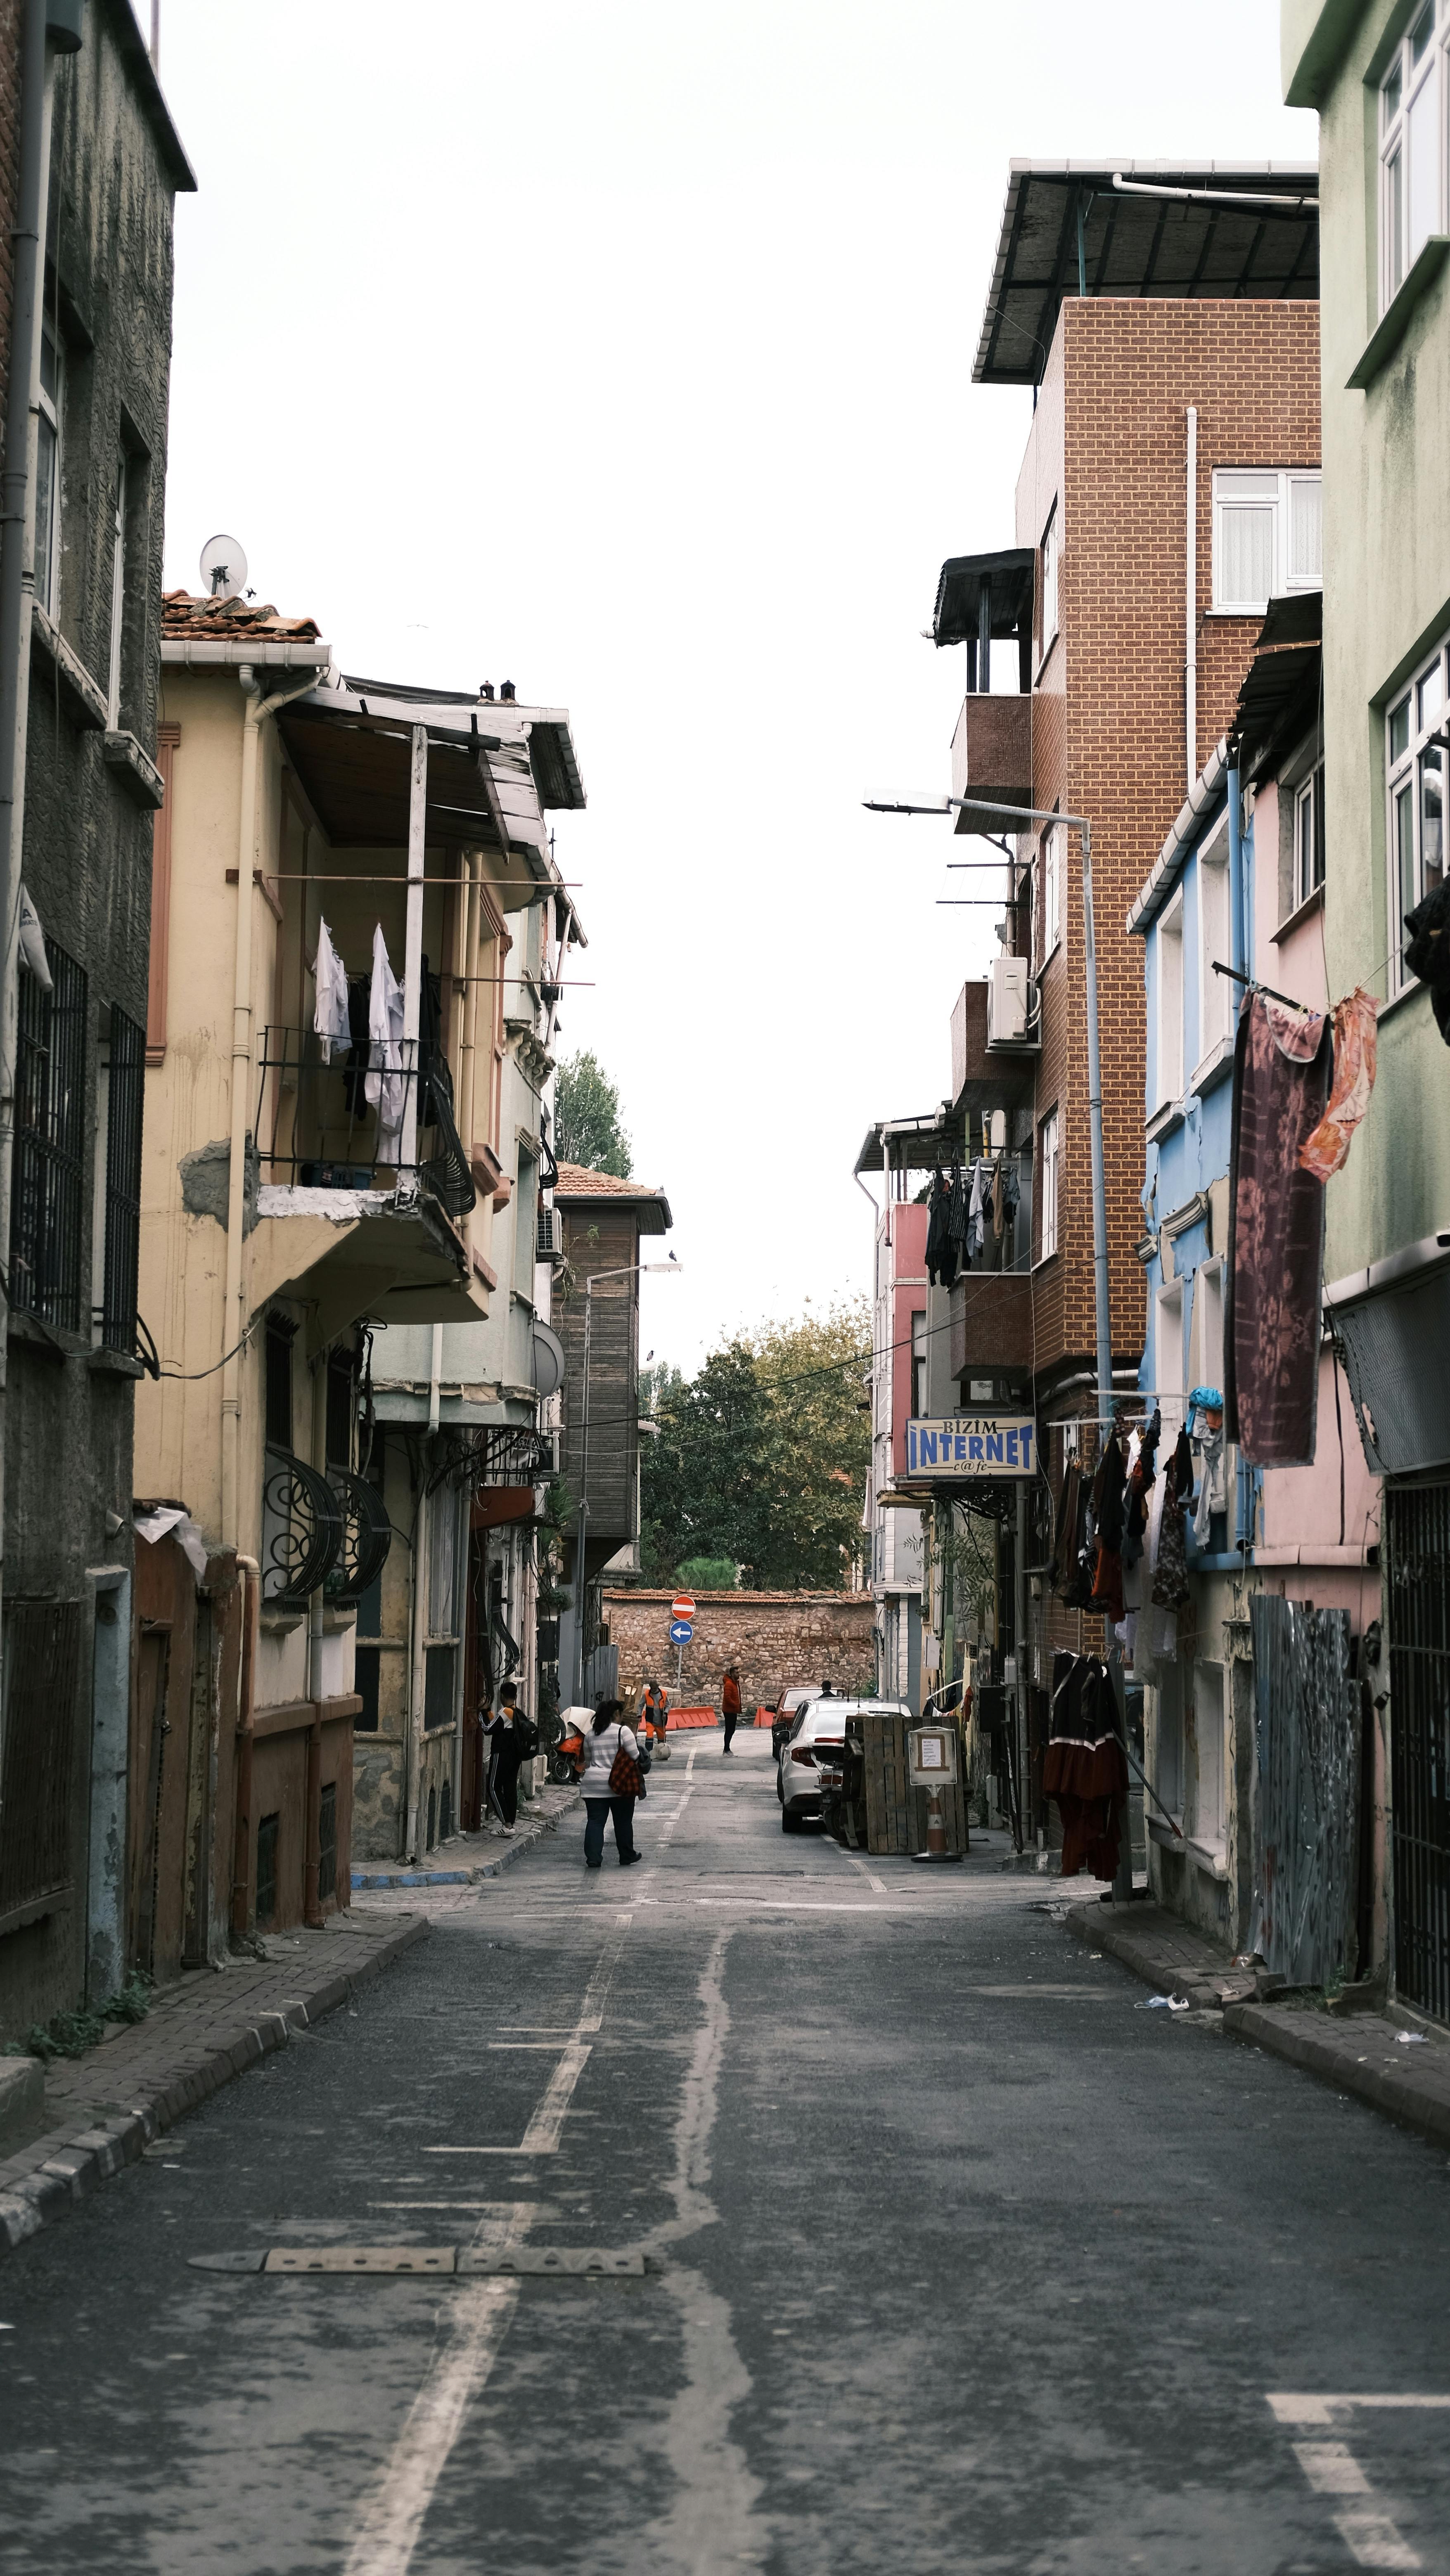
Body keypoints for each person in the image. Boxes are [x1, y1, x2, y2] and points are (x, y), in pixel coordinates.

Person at [581, 1697, 643, 1869]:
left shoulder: (591, 1734)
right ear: (617, 1714)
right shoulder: (623, 1732)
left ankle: (593, 1858)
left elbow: (588, 1760)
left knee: (595, 1822)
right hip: (620, 1785)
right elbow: (635, 1756)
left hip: (593, 1785)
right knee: (623, 1822)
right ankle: (626, 1855)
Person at [482, 1683, 535, 1833]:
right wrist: (488, 1711)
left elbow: (488, 1729)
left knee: (493, 1787)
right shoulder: (517, 1713)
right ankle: (510, 1822)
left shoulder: (506, 1712)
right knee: (510, 1788)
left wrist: (482, 1711)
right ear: (516, 1697)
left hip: (501, 1755)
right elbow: (497, 1725)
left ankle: (507, 1824)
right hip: (515, 1757)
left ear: (502, 1696)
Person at [638, 1679, 669, 1746]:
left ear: (658, 1686)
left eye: (655, 1688)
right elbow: (641, 1705)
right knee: (649, 1737)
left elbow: (668, 1706)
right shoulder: (646, 1694)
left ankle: (662, 1753)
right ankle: (649, 1753)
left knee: (662, 1739)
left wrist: (666, 1713)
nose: (654, 1690)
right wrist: (639, 1715)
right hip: (650, 1719)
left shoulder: (664, 1694)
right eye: (652, 1688)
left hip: (661, 1720)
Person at [721, 1662, 742, 1755]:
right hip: (729, 1711)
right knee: (729, 1730)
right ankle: (726, 1749)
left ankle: (727, 1749)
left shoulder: (735, 1684)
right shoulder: (729, 1684)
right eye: (737, 1673)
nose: (739, 1674)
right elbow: (727, 1698)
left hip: (733, 1710)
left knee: (731, 1730)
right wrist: (735, 1705)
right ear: (732, 1674)